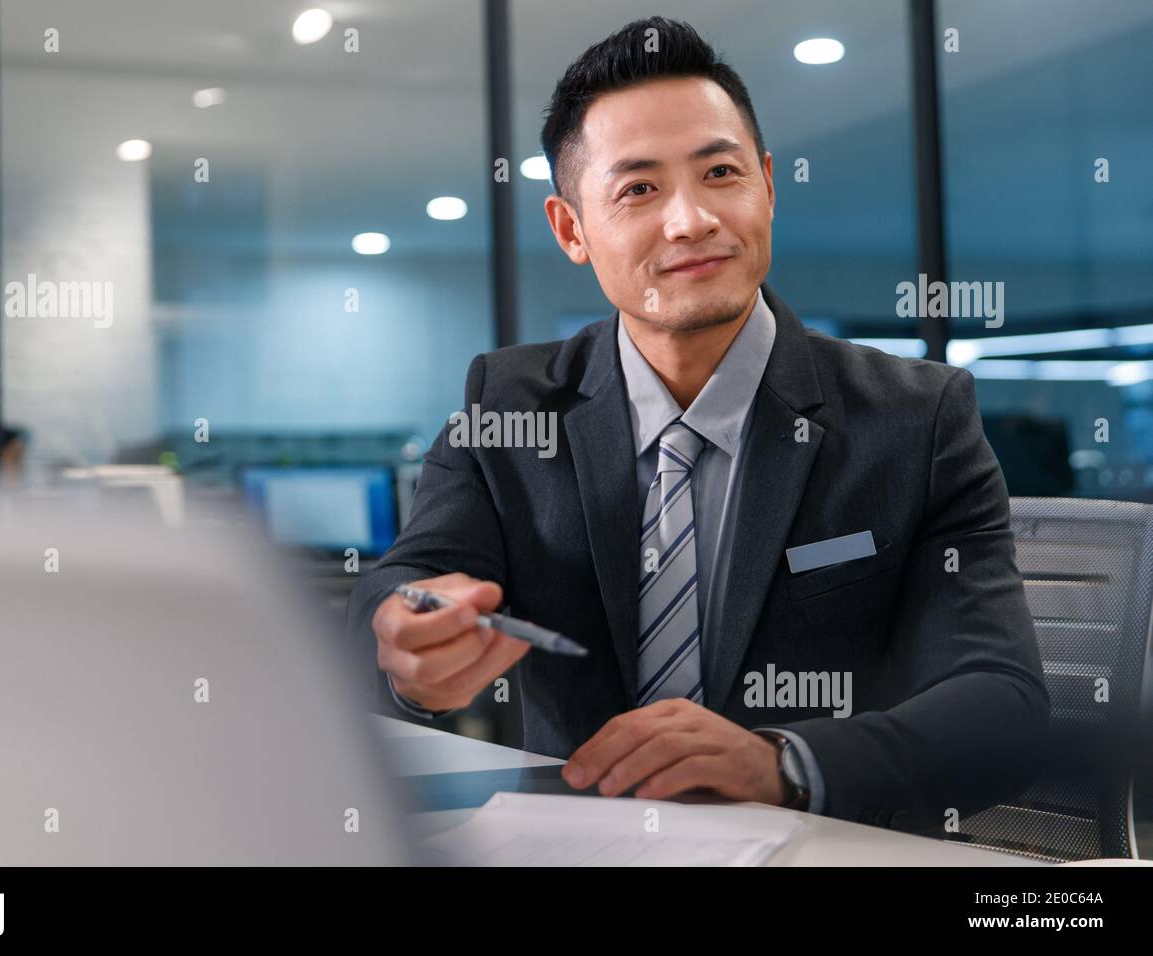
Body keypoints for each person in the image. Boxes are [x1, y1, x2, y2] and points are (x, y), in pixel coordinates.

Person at [347, 17, 1049, 831]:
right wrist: (408, 647)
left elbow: (1002, 710)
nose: (692, 220)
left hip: (818, 848)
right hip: (586, 846)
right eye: (639, 188)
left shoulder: (916, 418)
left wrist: (783, 764)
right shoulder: (509, 404)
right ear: (571, 229)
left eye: (720, 172)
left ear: (768, 187)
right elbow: (401, 583)